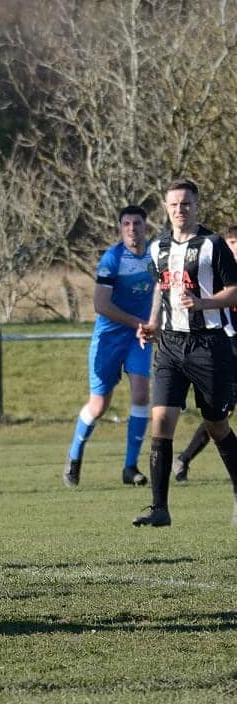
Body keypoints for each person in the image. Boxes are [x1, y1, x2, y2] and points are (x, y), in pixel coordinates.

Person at [132, 181, 237, 527]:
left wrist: (205, 302)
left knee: (216, 425)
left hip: (209, 346)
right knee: (160, 421)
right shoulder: (157, 248)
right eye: (175, 204)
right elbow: (160, 292)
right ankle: (159, 508)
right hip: (171, 347)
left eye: (187, 204)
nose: (181, 210)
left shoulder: (213, 245)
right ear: (166, 208)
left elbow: (234, 291)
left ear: (196, 205)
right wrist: (151, 325)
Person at [64, 206, 154, 487]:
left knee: (141, 394)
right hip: (110, 339)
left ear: (145, 226)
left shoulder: (156, 256)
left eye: (136, 223)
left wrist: (151, 323)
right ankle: (74, 456)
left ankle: (130, 467)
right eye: (126, 224)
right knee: (99, 405)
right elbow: (101, 305)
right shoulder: (112, 259)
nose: (131, 229)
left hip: (139, 337)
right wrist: (137, 322)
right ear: (120, 228)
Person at [169, 223, 237, 482]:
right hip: (223, 346)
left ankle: (184, 458)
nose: (236, 249)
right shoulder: (216, 275)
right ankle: (183, 458)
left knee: (221, 413)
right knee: (220, 412)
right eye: (232, 244)